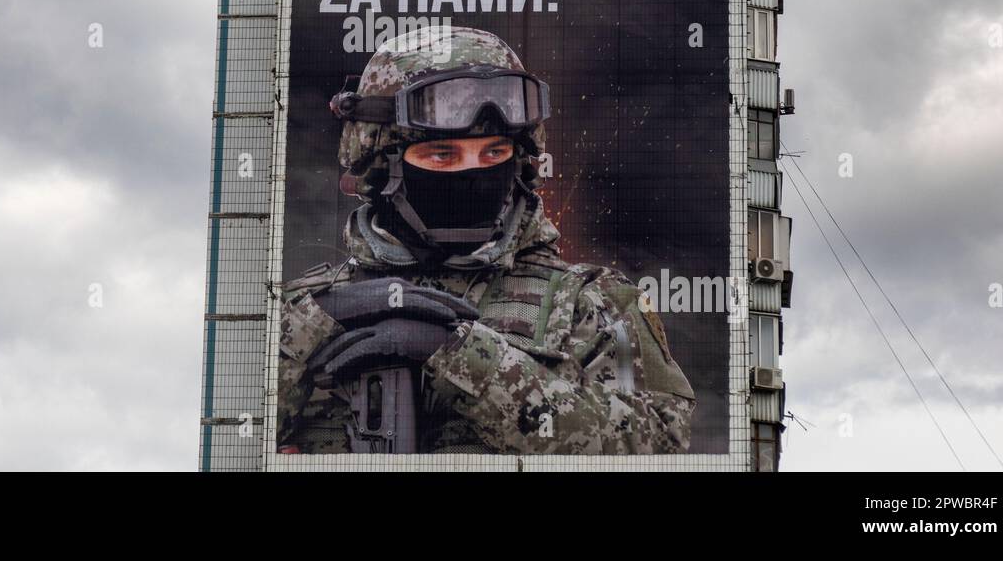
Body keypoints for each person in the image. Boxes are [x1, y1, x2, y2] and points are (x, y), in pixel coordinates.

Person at [276, 26, 695, 455]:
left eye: (495, 154)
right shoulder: (299, 310)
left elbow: (659, 445)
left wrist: (465, 357)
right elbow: (230, 434)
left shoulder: (593, 304)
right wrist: (303, 333)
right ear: (383, 165)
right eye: (443, 155)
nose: (474, 175)